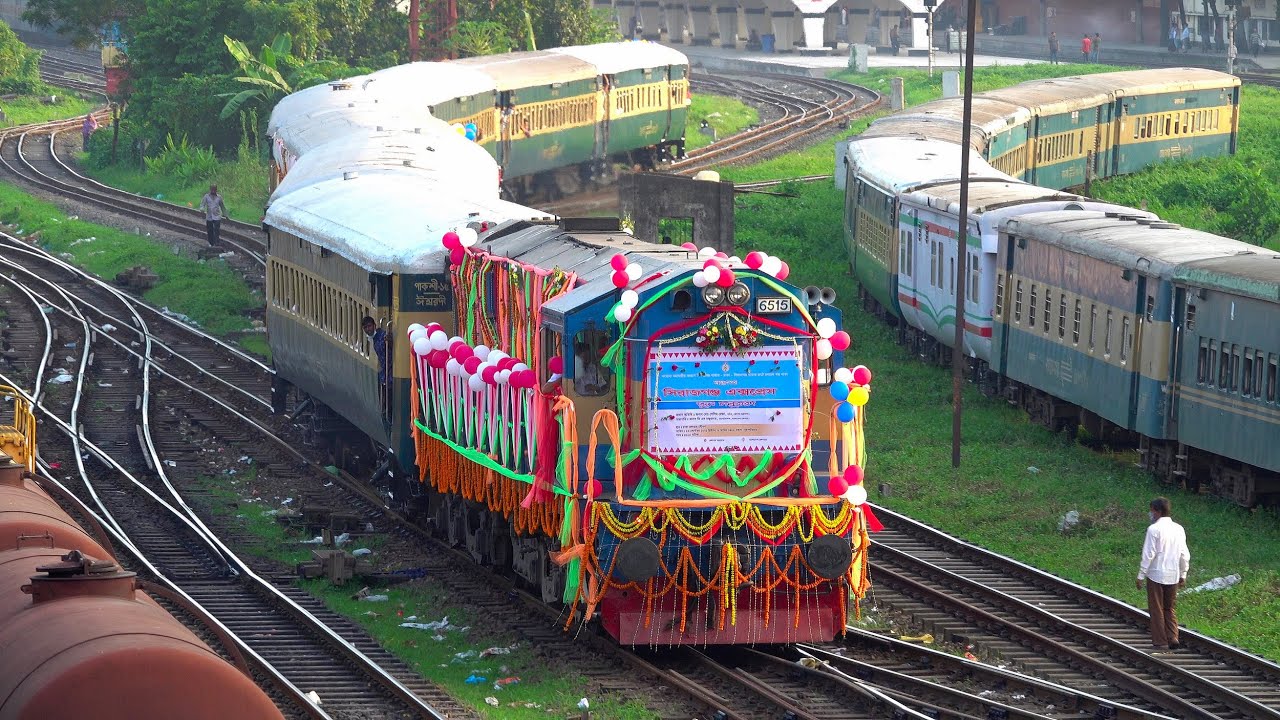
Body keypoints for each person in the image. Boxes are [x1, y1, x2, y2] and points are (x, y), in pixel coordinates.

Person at [1137, 497, 1190, 653]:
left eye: (1152, 510)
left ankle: (1160, 642)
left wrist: (1141, 575)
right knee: (1169, 608)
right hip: (1173, 575)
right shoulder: (1178, 529)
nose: (1150, 513)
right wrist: (1183, 573)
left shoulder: (1153, 530)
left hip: (1155, 575)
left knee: (1157, 609)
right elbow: (1184, 554)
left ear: (1157, 511)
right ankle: (1173, 636)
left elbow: (1149, 554)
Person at [362, 316, 388, 386]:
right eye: (365, 327)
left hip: (388, 375)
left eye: (369, 326)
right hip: (384, 376)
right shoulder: (374, 339)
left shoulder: (382, 335)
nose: (368, 329)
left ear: (374, 325)